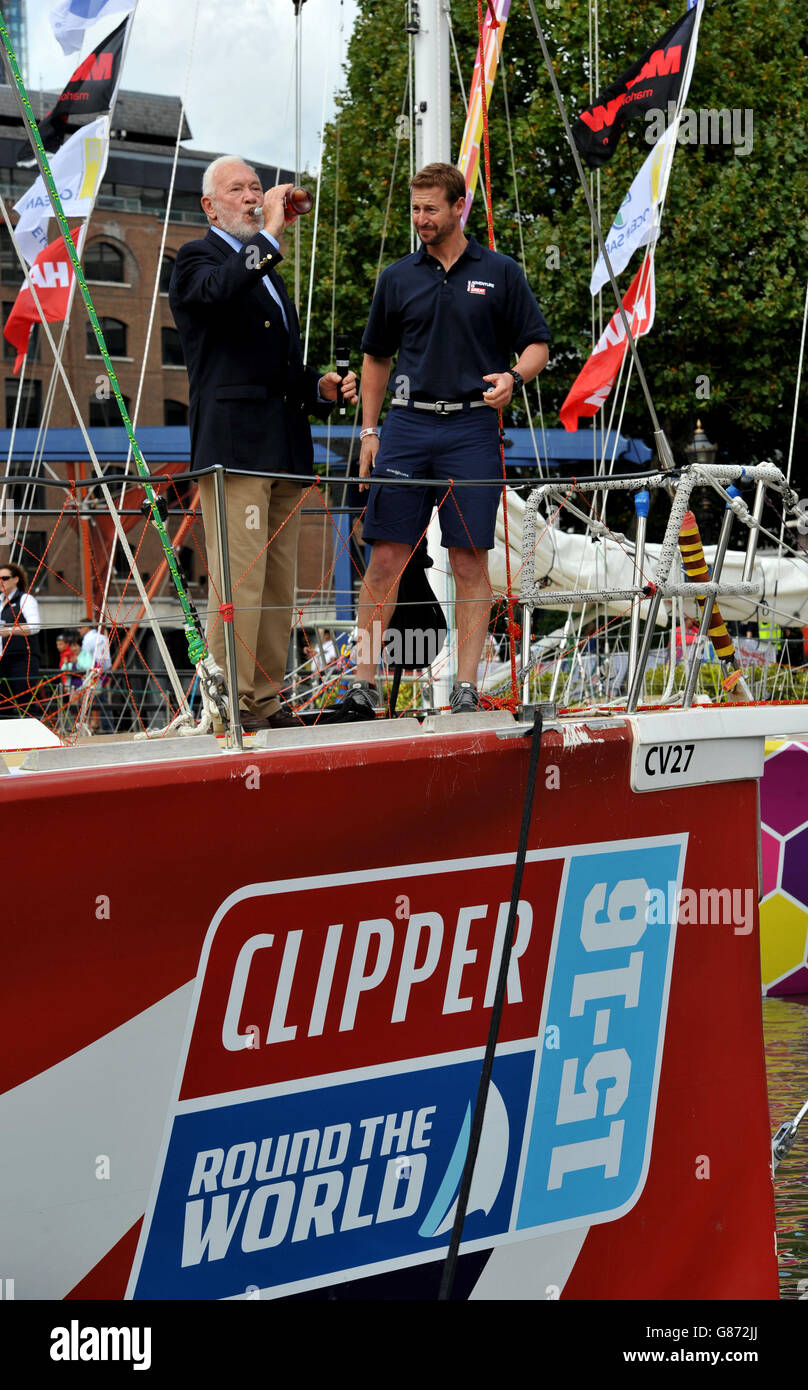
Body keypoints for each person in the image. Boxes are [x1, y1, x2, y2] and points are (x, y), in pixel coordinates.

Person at [348, 161, 550, 716]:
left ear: (460, 207)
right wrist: (370, 430)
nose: (421, 219)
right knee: (385, 556)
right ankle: (363, 682)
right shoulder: (396, 277)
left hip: (472, 427)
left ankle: (465, 687)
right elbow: (375, 357)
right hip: (407, 426)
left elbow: (537, 345)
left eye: (431, 208)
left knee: (468, 558)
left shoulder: (502, 272)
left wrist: (514, 377)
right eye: (415, 209)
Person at [169, 156, 358, 733]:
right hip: (235, 447)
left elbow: (270, 365)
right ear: (210, 205)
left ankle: (266, 701)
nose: (253, 195)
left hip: (280, 446)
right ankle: (228, 703)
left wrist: (317, 387)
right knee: (240, 577)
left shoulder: (268, 273)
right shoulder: (197, 259)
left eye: (257, 186)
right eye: (239, 188)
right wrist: (272, 232)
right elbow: (221, 293)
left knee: (278, 582)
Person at [0, 562, 43, 717]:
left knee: (25, 701)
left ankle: (34, 740)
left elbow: (35, 626)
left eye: (4, 578)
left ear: (16, 579)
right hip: (2, 659)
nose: (1, 582)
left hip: (22, 658)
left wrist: (10, 631)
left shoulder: (25, 599)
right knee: (2, 704)